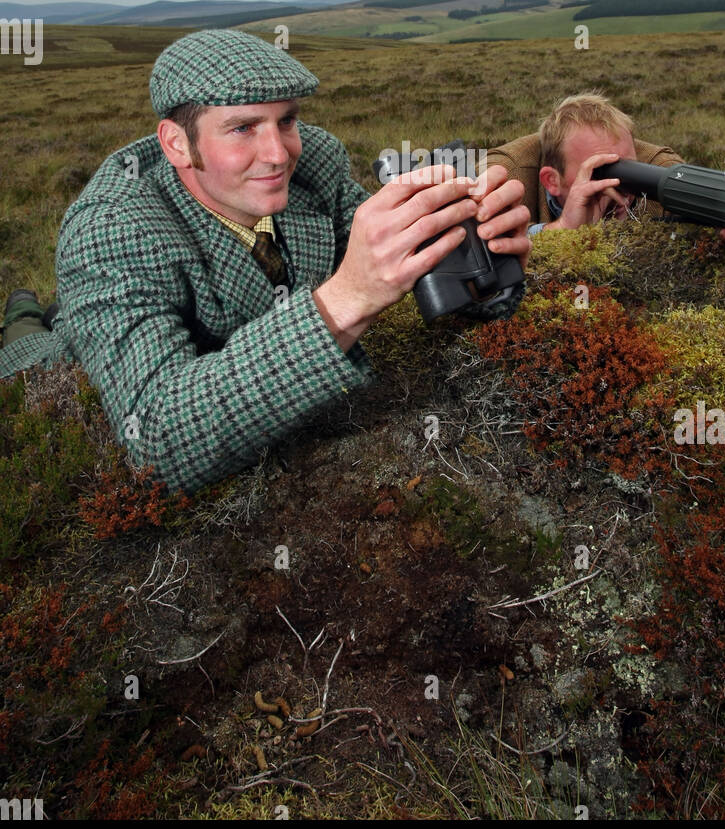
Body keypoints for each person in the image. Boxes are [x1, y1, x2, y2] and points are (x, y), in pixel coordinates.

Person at [0, 29, 530, 495]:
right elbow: (158, 441)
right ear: (178, 144)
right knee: (30, 345)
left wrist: (474, 259)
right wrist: (346, 300)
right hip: (66, 356)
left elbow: (384, 257)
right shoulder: (110, 230)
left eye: (286, 120)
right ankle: (24, 308)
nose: (279, 153)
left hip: (144, 309)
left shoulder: (313, 164)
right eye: (242, 128)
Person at [483, 92, 725, 256]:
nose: (621, 184)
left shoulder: (659, 171)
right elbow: (475, 254)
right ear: (552, 180)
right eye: (601, 171)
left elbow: (718, 214)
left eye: (628, 167)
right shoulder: (508, 175)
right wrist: (561, 231)